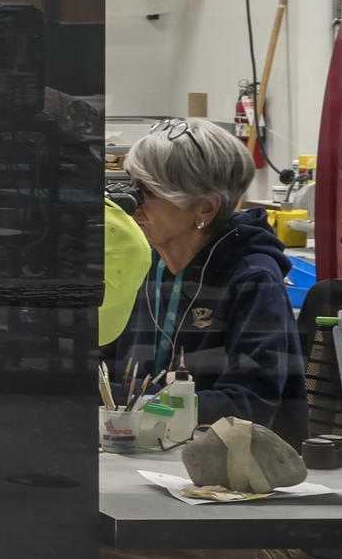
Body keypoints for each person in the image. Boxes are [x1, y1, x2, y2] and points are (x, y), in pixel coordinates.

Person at [102, 117, 307, 440]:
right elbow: (105, 367)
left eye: (147, 192)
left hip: (226, 459)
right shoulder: (143, 265)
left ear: (205, 208)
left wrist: (134, 402)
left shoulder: (253, 279)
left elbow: (249, 404)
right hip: (140, 448)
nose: (133, 206)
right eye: (130, 185)